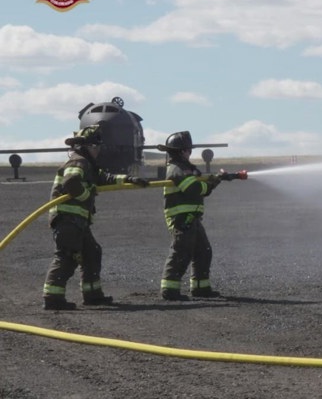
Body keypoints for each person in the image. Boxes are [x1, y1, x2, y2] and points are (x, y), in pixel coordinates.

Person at [42, 123, 149, 311]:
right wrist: (87, 196)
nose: (99, 150)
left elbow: (105, 178)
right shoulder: (79, 162)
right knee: (67, 256)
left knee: (92, 253)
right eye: (97, 146)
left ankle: (92, 295)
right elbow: (71, 183)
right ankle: (52, 297)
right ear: (89, 146)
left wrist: (129, 179)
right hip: (68, 219)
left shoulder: (88, 165)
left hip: (78, 221)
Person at [158, 130, 224, 301]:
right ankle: (169, 289)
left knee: (203, 251)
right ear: (182, 151)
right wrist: (211, 185)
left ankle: (200, 288)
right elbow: (194, 189)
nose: (190, 153)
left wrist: (216, 179)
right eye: (189, 149)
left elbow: (198, 183)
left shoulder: (185, 167)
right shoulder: (177, 169)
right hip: (180, 218)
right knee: (181, 252)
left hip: (191, 217)